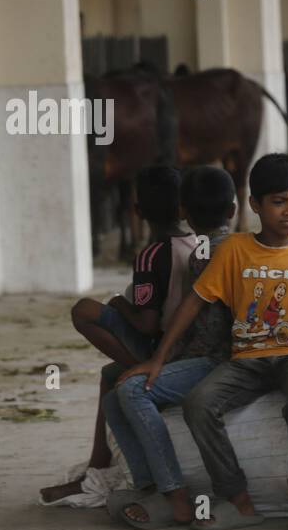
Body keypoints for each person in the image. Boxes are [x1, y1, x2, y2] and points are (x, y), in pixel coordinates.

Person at [121, 154, 288, 530]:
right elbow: (193, 303)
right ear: (254, 204)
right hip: (246, 359)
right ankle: (237, 500)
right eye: (278, 201)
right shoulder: (234, 250)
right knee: (199, 403)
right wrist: (159, 359)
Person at [40, 166, 195, 504]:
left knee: (83, 309)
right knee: (109, 375)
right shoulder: (195, 244)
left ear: (136, 212)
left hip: (161, 347)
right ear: (184, 207)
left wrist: (118, 304)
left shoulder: (152, 255)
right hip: (186, 345)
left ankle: (143, 368)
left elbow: (146, 325)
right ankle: (98, 464)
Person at [103, 166, 237, 528]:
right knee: (114, 394)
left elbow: (207, 333)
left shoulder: (207, 256)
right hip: (214, 354)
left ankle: (175, 496)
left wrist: (159, 363)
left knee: (132, 389)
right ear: (234, 209)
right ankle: (150, 486)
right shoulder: (226, 248)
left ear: (184, 212)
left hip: (222, 361)